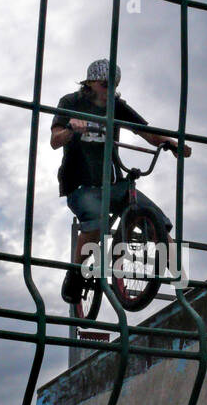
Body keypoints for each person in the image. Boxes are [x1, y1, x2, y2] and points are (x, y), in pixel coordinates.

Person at [51, 58, 191, 304]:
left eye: (113, 86)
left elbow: (146, 132)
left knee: (158, 222)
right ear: (90, 82)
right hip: (80, 184)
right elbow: (55, 140)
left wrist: (171, 143)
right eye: (105, 85)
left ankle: (184, 282)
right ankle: (75, 273)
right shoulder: (71, 102)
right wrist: (71, 129)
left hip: (112, 182)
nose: (109, 91)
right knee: (95, 225)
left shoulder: (116, 105)